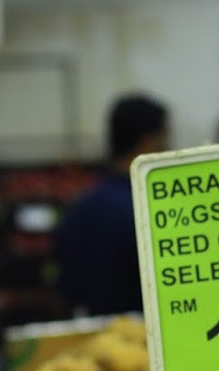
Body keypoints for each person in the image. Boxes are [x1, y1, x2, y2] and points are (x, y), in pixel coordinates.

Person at [54, 94, 170, 316]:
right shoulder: (146, 213)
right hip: (139, 341)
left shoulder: (80, 207)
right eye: (165, 139)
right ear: (147, 142)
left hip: (89, 339)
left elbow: (64, 287)